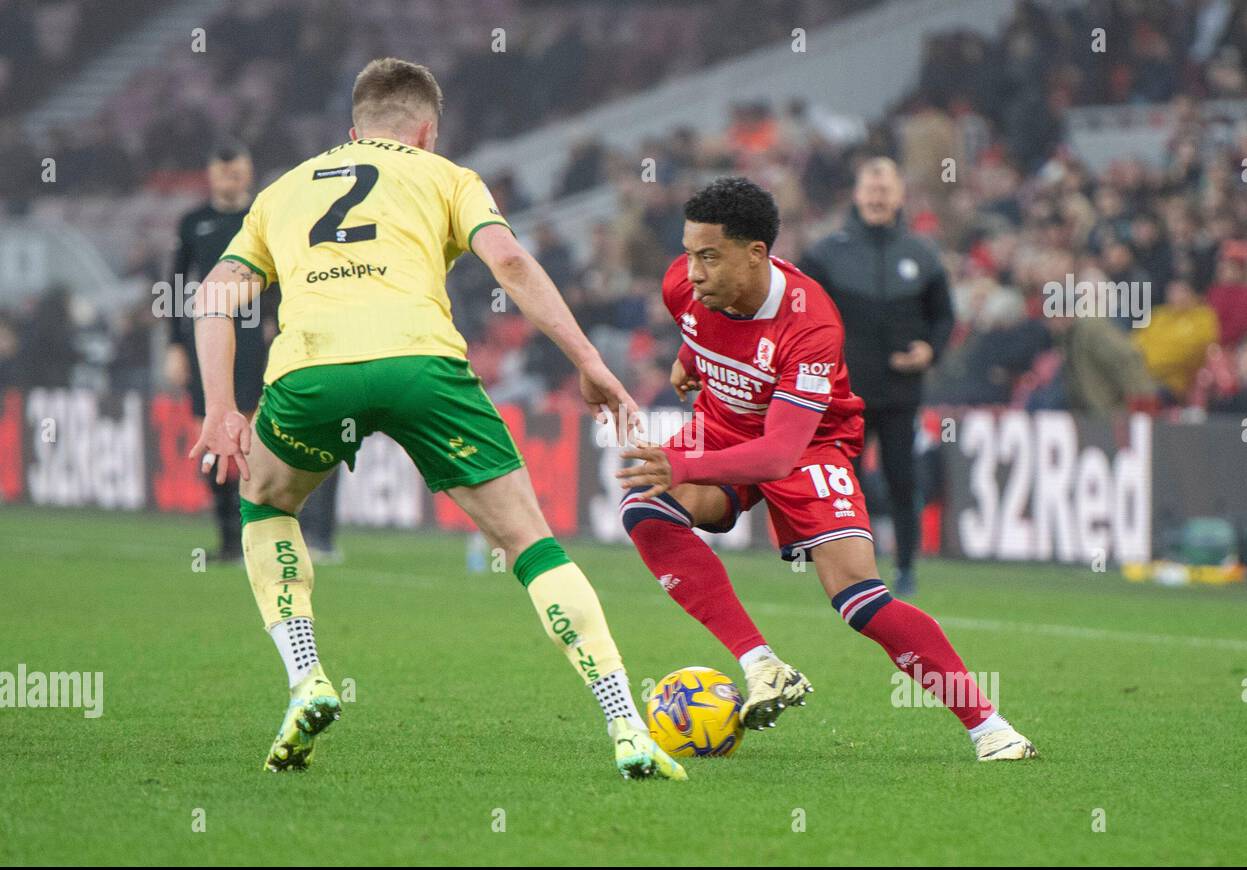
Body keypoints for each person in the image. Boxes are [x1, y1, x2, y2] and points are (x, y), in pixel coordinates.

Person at [186, 57, 684, 781]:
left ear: (352, 129)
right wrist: (590, 362)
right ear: (428, 130)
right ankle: (626, 724)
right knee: (528, 541)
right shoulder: (447, 175)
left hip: (310, 370)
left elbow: (212, 296)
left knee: (264, 500)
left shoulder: (282, 190)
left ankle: (307, 678)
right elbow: (509, 261)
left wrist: (221, 407)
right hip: (422, 365)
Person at [617, 177, 1037, 762]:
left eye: (709, 256)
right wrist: (688, 360)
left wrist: (682, 461)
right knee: (645, 511)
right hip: (723, 425)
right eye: (688, 253)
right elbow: (700, 327)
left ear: (756, 253)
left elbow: (779, 453)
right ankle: (761, 664)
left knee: (859, 600)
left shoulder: (810, 323)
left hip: (809, 444)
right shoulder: (683, 286)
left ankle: (990, 728)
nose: (692, 271)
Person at [801, 158, 954, 595]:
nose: (877, 195)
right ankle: (846, 568)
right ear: (857, 194)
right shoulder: (826, 252)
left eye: (885, 188)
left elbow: (943, 317)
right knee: (842, 482)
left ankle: (905, 567)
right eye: (870, 188)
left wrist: (930, 350)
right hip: (843, 394)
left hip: (901, 393)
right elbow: (801, 312)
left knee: (902, 480)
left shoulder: (922, 254)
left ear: (900, 195)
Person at [167, 142, 270, 562]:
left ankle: (256, 534)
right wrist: (175, 344)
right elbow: (176, 285)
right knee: (212, 436)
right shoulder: (193, 222)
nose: (231, 177)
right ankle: (229, 540)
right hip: (206, 338)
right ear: (210, 174)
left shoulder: (261, 215)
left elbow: (281, 274)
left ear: (248, 173)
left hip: (254, 340)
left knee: (251, 437)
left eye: (238, 170)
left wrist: (278, 322)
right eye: (223, 170)